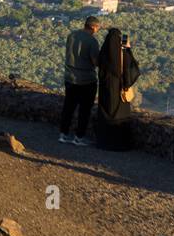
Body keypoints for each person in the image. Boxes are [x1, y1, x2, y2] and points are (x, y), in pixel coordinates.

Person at [94, 27, 140, 151]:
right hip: (119, 91)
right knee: (119, 114)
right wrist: (128, 49)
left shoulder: (104, 52)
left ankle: (104, 142)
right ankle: (119, 144)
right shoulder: (123, 54)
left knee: (105, 113)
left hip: (106, 89)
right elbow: (132, 70)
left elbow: (97, 63)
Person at [59, 15, 101, 145]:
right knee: (85, 110)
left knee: (68, 107)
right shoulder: (92, 41)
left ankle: (63, 134)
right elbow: (95, 62)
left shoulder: (71, 36)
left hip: (70, 77)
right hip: (86, 80)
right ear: (94, 27)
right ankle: (79, 137)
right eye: (98, 28)